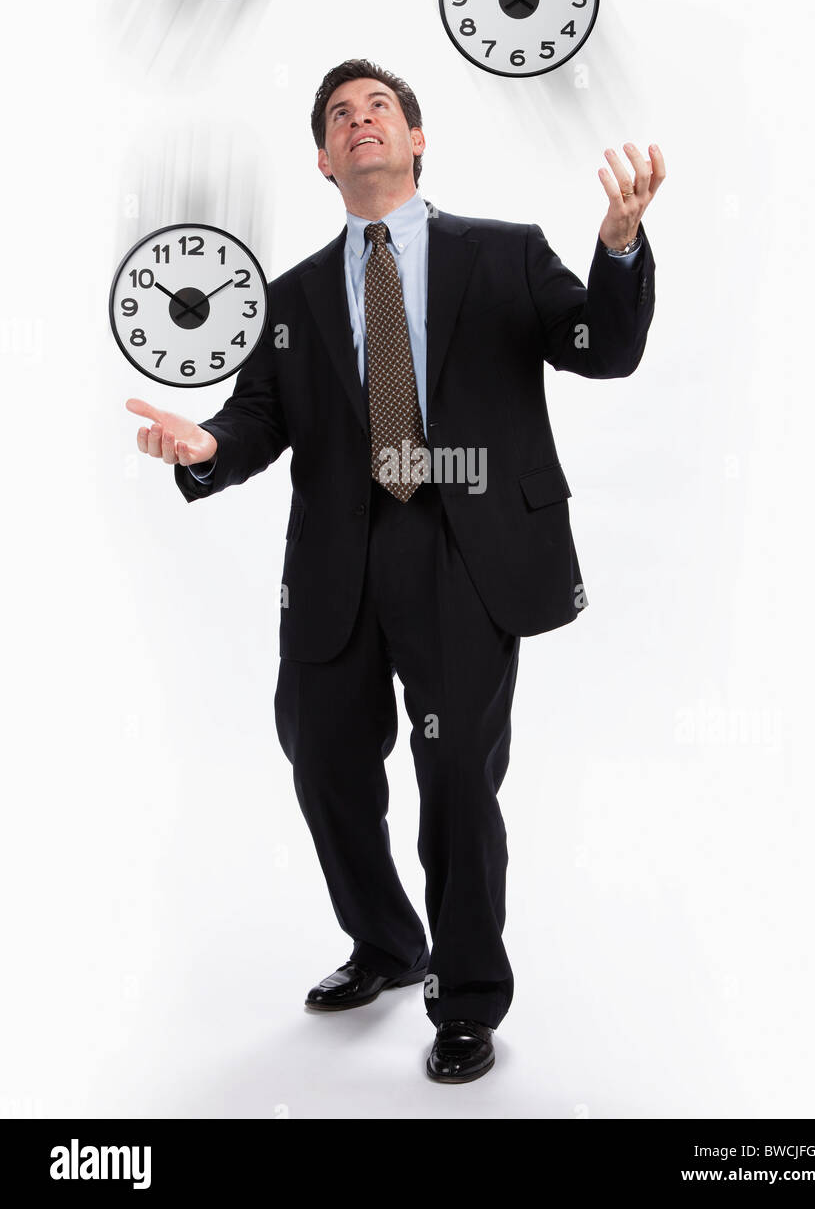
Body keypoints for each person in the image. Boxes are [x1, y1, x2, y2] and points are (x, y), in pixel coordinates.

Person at [127, 57, 665, 1084]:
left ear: (416, 140)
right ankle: (386, 942)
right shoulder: (287, 297)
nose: (360, 119)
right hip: (338, 553)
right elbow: (256, 421)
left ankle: (463, 996)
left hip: (461, 551)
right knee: (321, 756)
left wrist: (618, 246)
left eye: (379, 107)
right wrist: (205, 448)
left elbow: (601, 348)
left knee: (455, 775)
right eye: (339, 115)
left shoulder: (502, 256)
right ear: (325, 160)